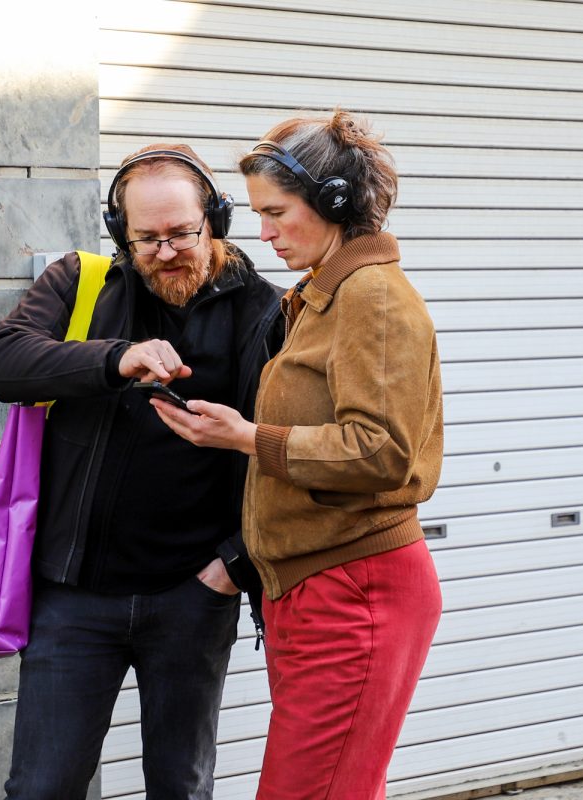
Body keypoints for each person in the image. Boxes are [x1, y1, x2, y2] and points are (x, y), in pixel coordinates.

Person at [151, 110, 444, 799]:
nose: (265, 233)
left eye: (277, 212)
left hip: (357, 592)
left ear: (333, 203)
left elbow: (382, 451)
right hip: (314, 591)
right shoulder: (321, 297)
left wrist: (246, 437)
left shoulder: (370, 299)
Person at [0, 143, 285, 799]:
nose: (167, 251)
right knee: (41, 786)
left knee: (180, 785)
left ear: (216, 219)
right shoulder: (81, 284)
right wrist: (114, 358)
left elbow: (282, 453)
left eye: (182, 233)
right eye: (147, 238)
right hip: (74, 597)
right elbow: (4, 363)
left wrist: (232, 566)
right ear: (121, 232)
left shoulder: (265, 313)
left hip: (192, 597)